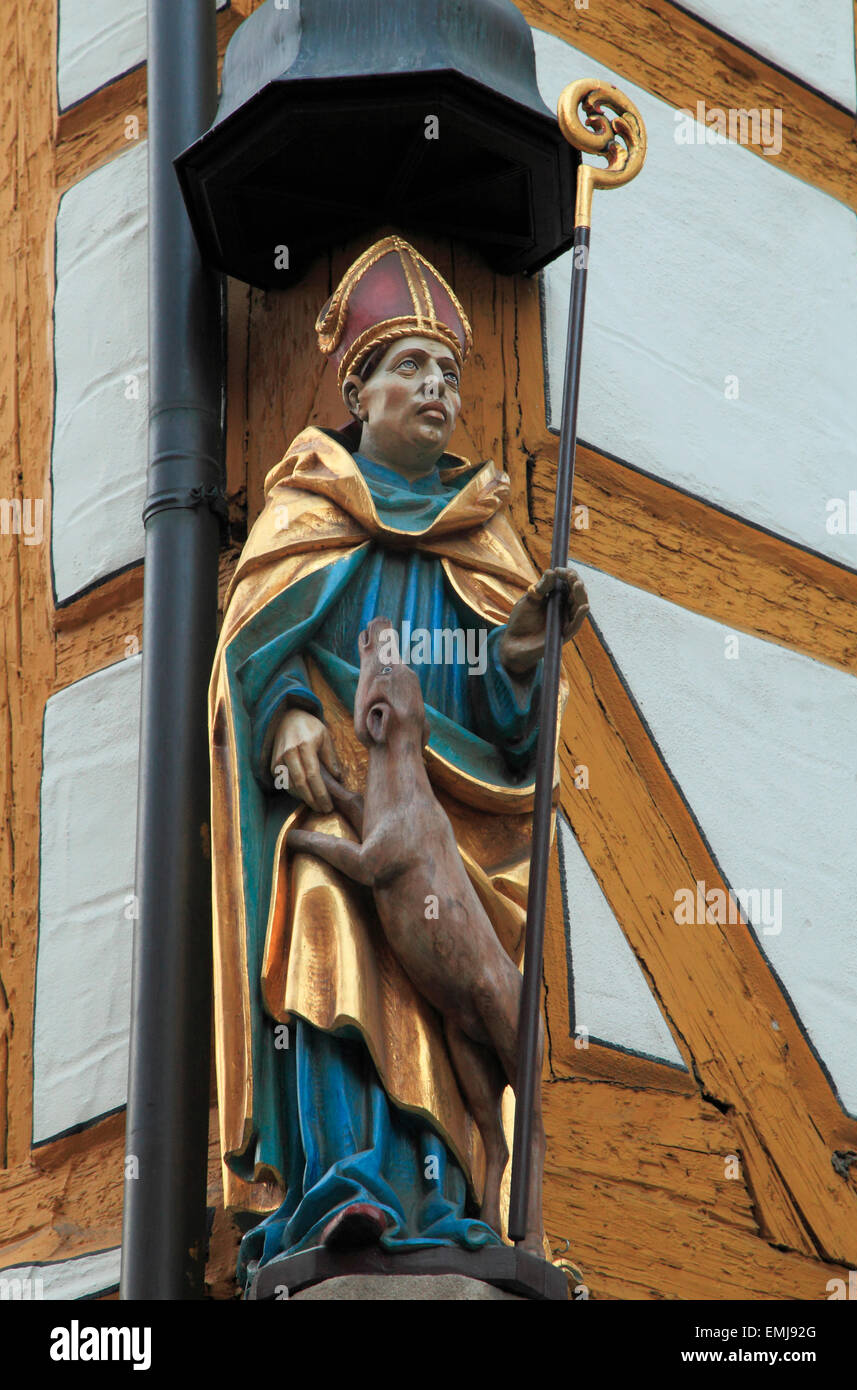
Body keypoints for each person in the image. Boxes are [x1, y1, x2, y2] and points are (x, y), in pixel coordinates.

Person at [208, 236, 588, 1286]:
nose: (437, 389)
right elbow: (250, 651)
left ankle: (450, 1187)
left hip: (452, 836)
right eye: (411, 366)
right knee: (323, 895)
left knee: (467, 1004)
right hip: (338, 798)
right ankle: (345, 1181)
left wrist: (518, 652)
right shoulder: (302, 515)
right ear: (359, 387)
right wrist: (284, 710)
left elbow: (504, 726)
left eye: (450, 373)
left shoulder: (485, 532)